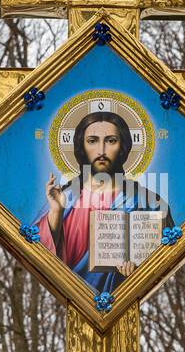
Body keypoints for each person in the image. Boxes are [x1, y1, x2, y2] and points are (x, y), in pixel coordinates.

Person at [36, 111, 172, 293]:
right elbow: (37, 256)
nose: (101, 150)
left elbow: (166, 259)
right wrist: (56, 213)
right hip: (72, 298)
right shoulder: (64, 198)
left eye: (111, 141)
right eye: (92, 141)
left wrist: (140, 272)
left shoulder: (148, 201)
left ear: (123, 146)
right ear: (81, 147)